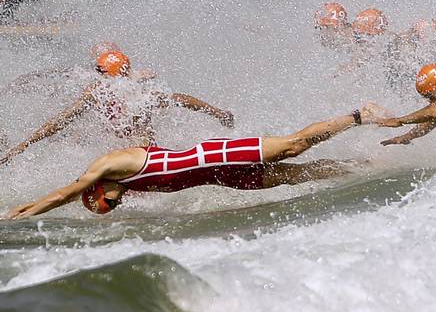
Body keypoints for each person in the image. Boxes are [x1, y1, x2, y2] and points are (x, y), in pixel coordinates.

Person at [4, 105, 380, 219]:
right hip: (221, 177)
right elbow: (63, 199)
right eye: (114, 206)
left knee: (295, 146)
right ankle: (367, 166)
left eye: (112, 202)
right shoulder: (115, 188)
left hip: (214, 155)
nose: (120, 203)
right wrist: (14, 212)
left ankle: (359, 116)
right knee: (296, 177)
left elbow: (61, 194)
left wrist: (26, 215)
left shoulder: (108, 166)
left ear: (100, 189)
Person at [0, 44, 235, 167]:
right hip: (148, 156)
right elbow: (182, 99)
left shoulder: (98, 91)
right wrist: (218, 113)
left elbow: (58, 122)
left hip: (133, 161)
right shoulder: (140, 89)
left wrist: (19, 149)